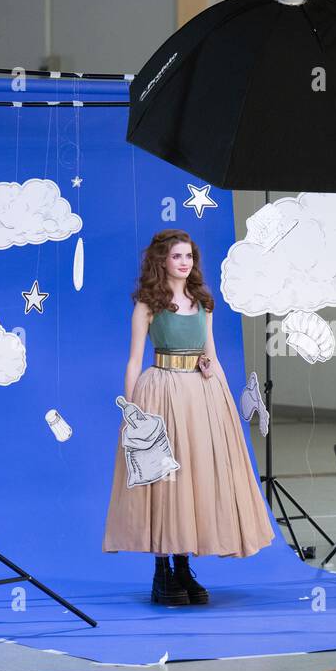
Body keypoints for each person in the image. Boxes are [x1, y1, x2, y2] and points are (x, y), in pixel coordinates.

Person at [103, 229, 275, 604]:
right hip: (161, 392)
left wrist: (217, 378)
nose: (185, 263)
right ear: (161, 260)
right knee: (164, 480)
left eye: (190, 257)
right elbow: (134, 361)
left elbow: (210, 352)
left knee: (190, 480)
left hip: (199, 394)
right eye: (177, 256)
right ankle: (162, 571)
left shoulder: (204, 302)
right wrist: (131, 412)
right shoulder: (148, 304)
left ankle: (183, 567)